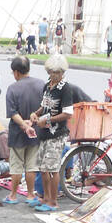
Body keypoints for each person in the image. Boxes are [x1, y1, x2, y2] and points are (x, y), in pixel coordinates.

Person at [29, 54, 84, 213]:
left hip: (57, 134)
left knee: (51, 169)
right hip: (45, 133)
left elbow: (67, 114)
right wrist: (35, 114)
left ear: (62, 72)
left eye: (57, 73)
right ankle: (45, 198)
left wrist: (48, 121)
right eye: (52, 72)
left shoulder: (66, 88)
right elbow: (43, 106)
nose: (54, 75)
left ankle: (53, 201)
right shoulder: (48, 85)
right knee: (43, 168)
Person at [3, 56, 44, 206]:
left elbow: (13, 113)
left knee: (16, 165)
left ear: (16, 72)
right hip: (36, 131)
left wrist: (24, 126)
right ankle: (31, 194)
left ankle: (13, 195)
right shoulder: (41, 85)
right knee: (32, 165)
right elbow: (44, 108)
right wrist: (31, 124)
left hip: (18, 133)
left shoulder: (13, 88)